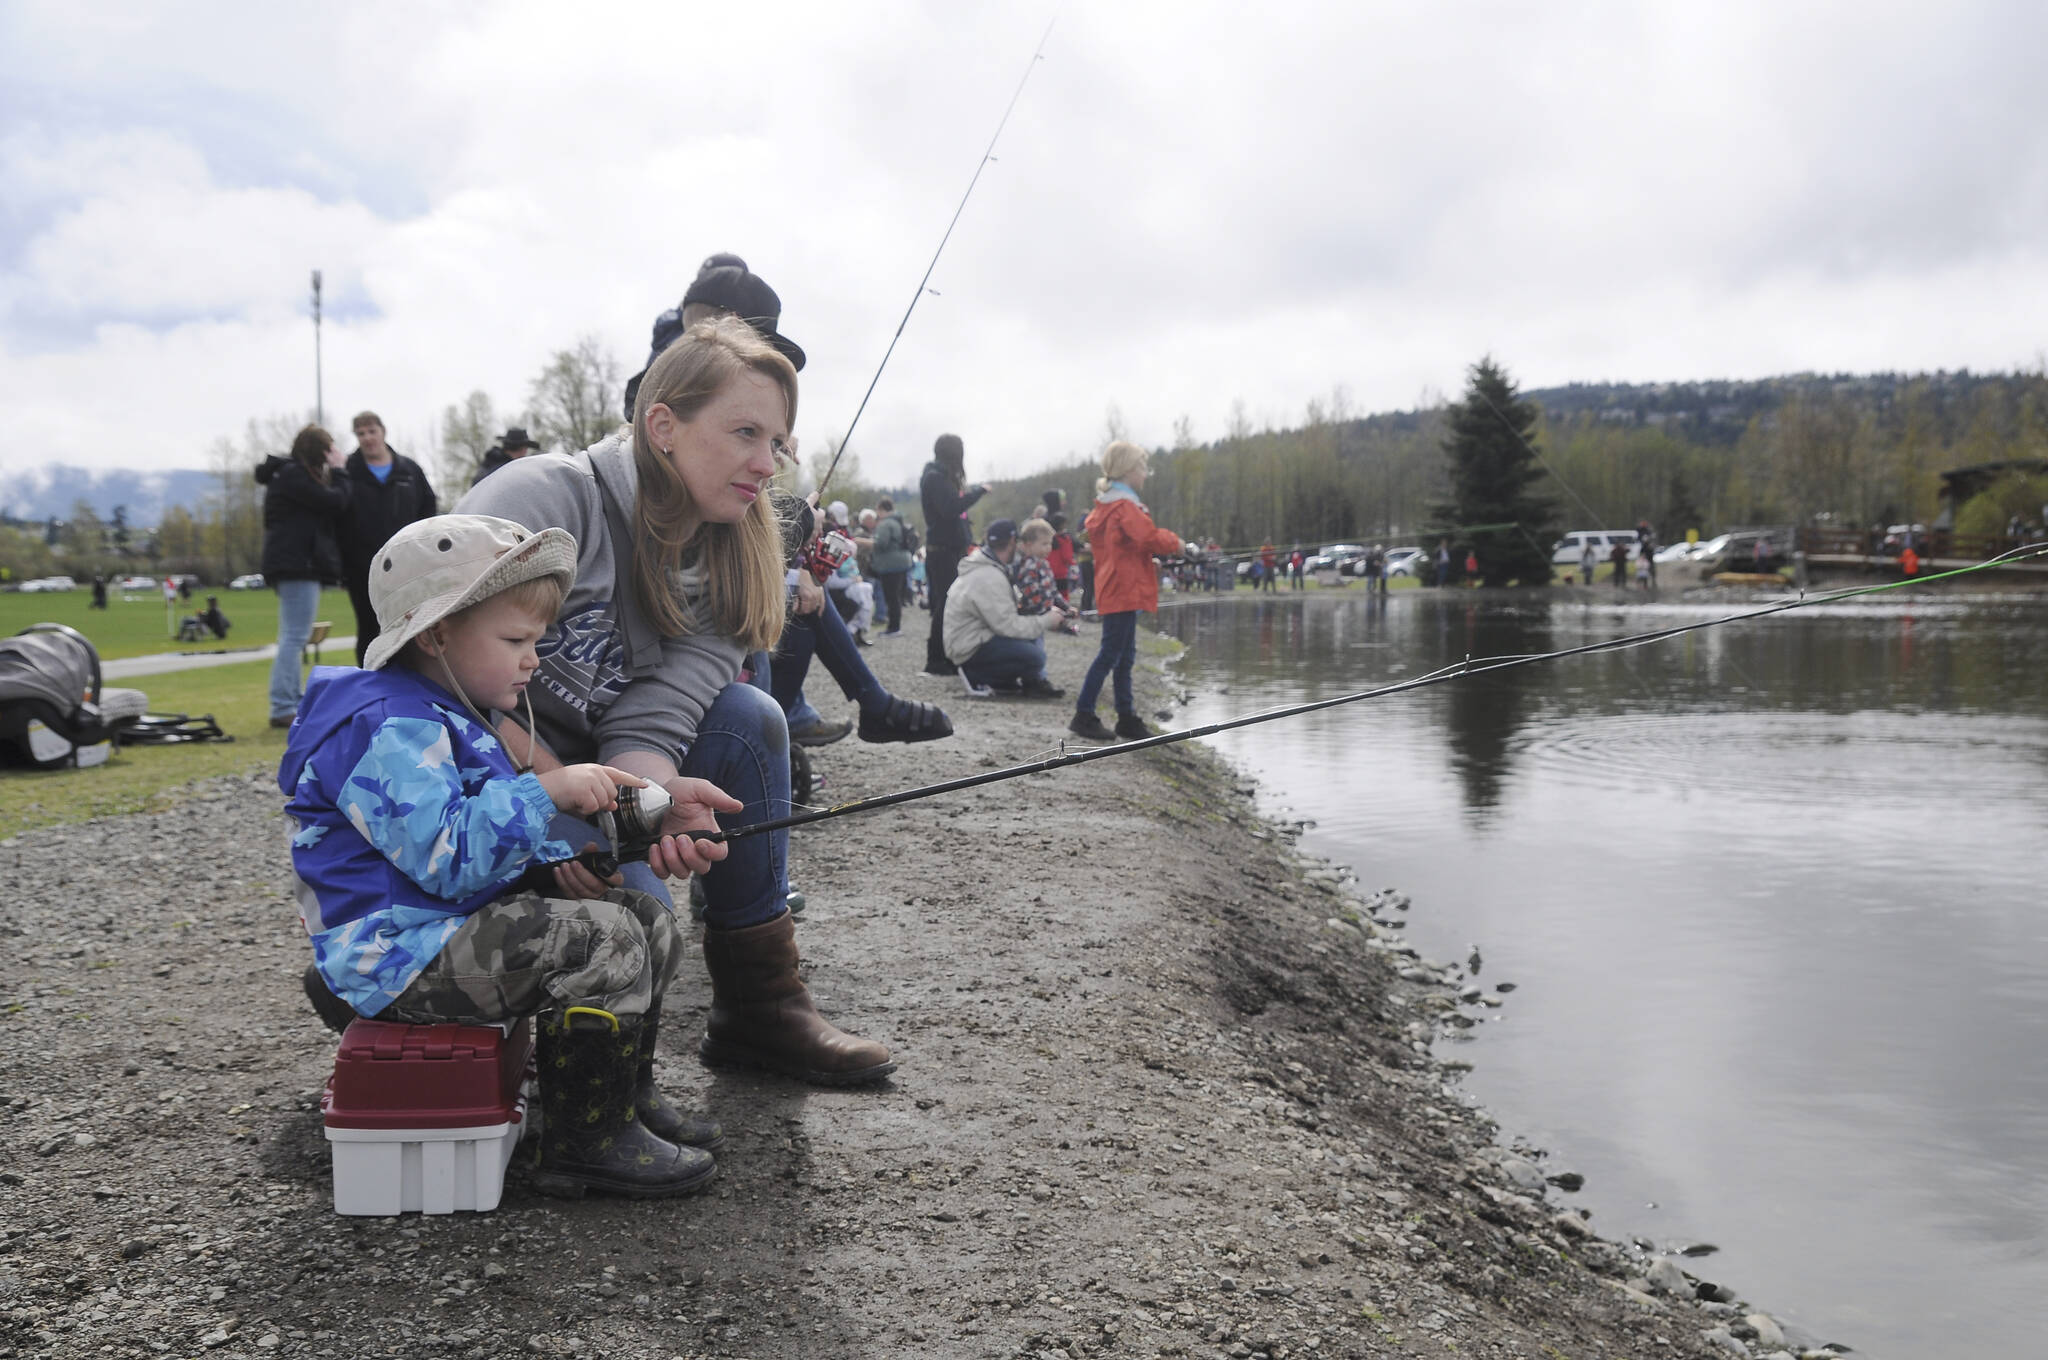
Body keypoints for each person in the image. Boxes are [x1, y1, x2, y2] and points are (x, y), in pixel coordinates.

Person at [460, 315, 895, 1088]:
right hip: (469, 783)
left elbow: (650, 724)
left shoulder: (735, 553)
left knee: (748, 719)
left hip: (586, 783)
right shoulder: (541, 499)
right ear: (663, 425)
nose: (768, 464)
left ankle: (760, 1011)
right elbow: (433, 691)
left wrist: (650, 810)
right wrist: (577, 810)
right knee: (632, 925)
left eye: (778, 443)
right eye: (745, 434)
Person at [281, 512, 720, 1198]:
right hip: (396, 953)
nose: (532, 659)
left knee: (643, 916)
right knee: (599, 943)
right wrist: (548, 792)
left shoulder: (451, 715)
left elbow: (488, 846)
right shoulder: (383, 728)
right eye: (515, 639)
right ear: (435, 634)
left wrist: (551, 867)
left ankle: (621, 1098)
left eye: (537, 640)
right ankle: (585, 1143)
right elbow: (448, 855)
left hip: (443, 928)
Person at [1070, 441, 1187, 742]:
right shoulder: (1124, 506)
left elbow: (1125, 548)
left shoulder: (1109, 505)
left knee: (1124, 655)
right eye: (1142, 468)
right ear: (1128, 471)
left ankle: (1126, 716)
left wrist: (1150, 562)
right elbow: (1148, 536)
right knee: (1111, 653)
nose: (1146, 474)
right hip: (1121, 589)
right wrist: (1178, 544)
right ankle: (1084, 714)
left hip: (1117, 586)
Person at [256, 426, 351, 728]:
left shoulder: (287, 476)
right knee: (294, 637)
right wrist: (341, 471)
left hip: (295, 564)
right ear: (320, 452)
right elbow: (335, 501)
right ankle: (283, 704)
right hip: (298, 564)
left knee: (294, 635)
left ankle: (291, 699)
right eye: (329, 449)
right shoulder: (295, 476)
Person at [339, 410, 439, 666]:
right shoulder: (348, 472)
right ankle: (369, 681)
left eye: (372, 431)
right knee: (369, 627)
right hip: (362, 567)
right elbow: (335, 518)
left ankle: (408, 678)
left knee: (410, 625)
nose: (367, 438)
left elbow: (428, 512)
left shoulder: (409, 470)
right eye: (361, 433)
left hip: (407, 564)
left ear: (383, 431)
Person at [944, 519, 1070, 696]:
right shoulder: (989, 577)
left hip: (970, 642)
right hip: (970, 650)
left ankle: (1025, 681)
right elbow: (1007, 626)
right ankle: (979, 677)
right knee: (1035, 657)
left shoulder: (987, 568)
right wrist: (1047, 620)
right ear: (1011, 543)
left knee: (1030, 638)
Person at [921, 433, 987, 675]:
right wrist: (977, 492)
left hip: (950, 549)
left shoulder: (939, 477)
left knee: (949, 603)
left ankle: (946, 655)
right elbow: (950, 509)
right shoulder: (935, 478)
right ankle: (936, 659)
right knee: (945, 604)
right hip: (943, 551)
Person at [1011, 518, 1075, 629]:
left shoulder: (1045, 564)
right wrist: (1048, 611)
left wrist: (1066, 607)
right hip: (1032, 619)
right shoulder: (1029, 567)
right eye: (1044, 544)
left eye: (1050, 543)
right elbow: (1031, 595)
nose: (1049, 548)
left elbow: (1053, 591)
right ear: (1029, 545)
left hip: (1045, 615)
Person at [869, 495, 914, 636]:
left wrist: (861, 542)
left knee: (891, 597)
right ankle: (895, 626)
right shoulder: (898, 521)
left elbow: (880, 543)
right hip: (902, 562)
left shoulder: (886, 524)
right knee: (896, 597)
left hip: (890, 565)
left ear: (881, 509)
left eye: (877, 510)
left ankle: (893, 628)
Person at [471, 426, 542, 487]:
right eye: (525, 448)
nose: (525, 452)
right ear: (522, 449)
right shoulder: (508, 469)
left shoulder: (491, 463)